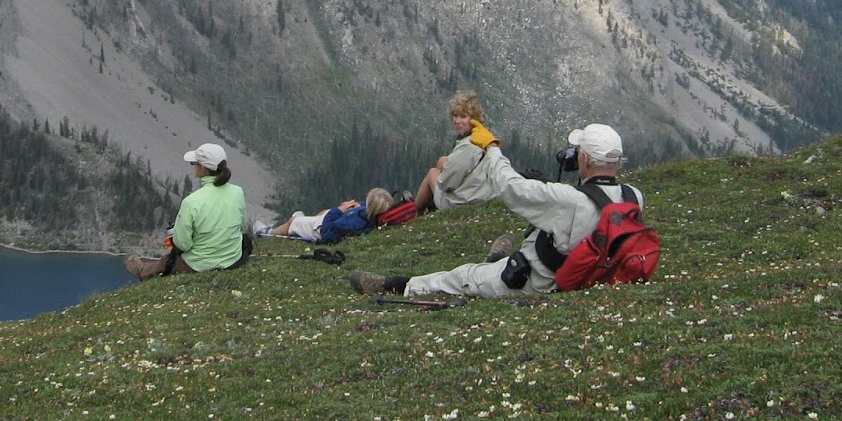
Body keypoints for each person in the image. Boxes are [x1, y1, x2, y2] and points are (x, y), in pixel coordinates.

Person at [351, 123, 643, 300]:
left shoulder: (569, 199)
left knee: (463, 276)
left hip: (538, 282)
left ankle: (398, 285)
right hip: (591, 274)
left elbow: (510, 187)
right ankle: (496, 260)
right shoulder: (633, 197)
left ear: (585, 159)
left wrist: (491, 149)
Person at [125, 142, 250, 281]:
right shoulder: (237, 192)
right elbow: (243, 226)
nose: (193, 167)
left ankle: (142, 271)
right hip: (233, 258)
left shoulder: (191, 202)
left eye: (194, 163)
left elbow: (183, 244)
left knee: (167, 261)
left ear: (203, 168)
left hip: (201, 264)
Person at [413, 90, 503, 212]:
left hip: (463, 202)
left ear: (474, 119)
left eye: (463, 117)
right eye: (455, 116)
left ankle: (414, 211)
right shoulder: (483, 138)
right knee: (443, 160)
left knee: (432, 173)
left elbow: (446, 183)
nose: (456, 121)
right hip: (481, 192)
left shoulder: (469, 146)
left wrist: (443, 173)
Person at [255, 188, 395, 243]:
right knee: (324, 212)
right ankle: (302, 221)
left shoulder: (353, 224)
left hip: (321, 229)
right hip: (330, 220)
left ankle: (266, 233)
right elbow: (365, 208)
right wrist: (354, 206)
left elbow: (328, 233)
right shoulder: (371, 214)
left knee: (292, 221)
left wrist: (338, 210)